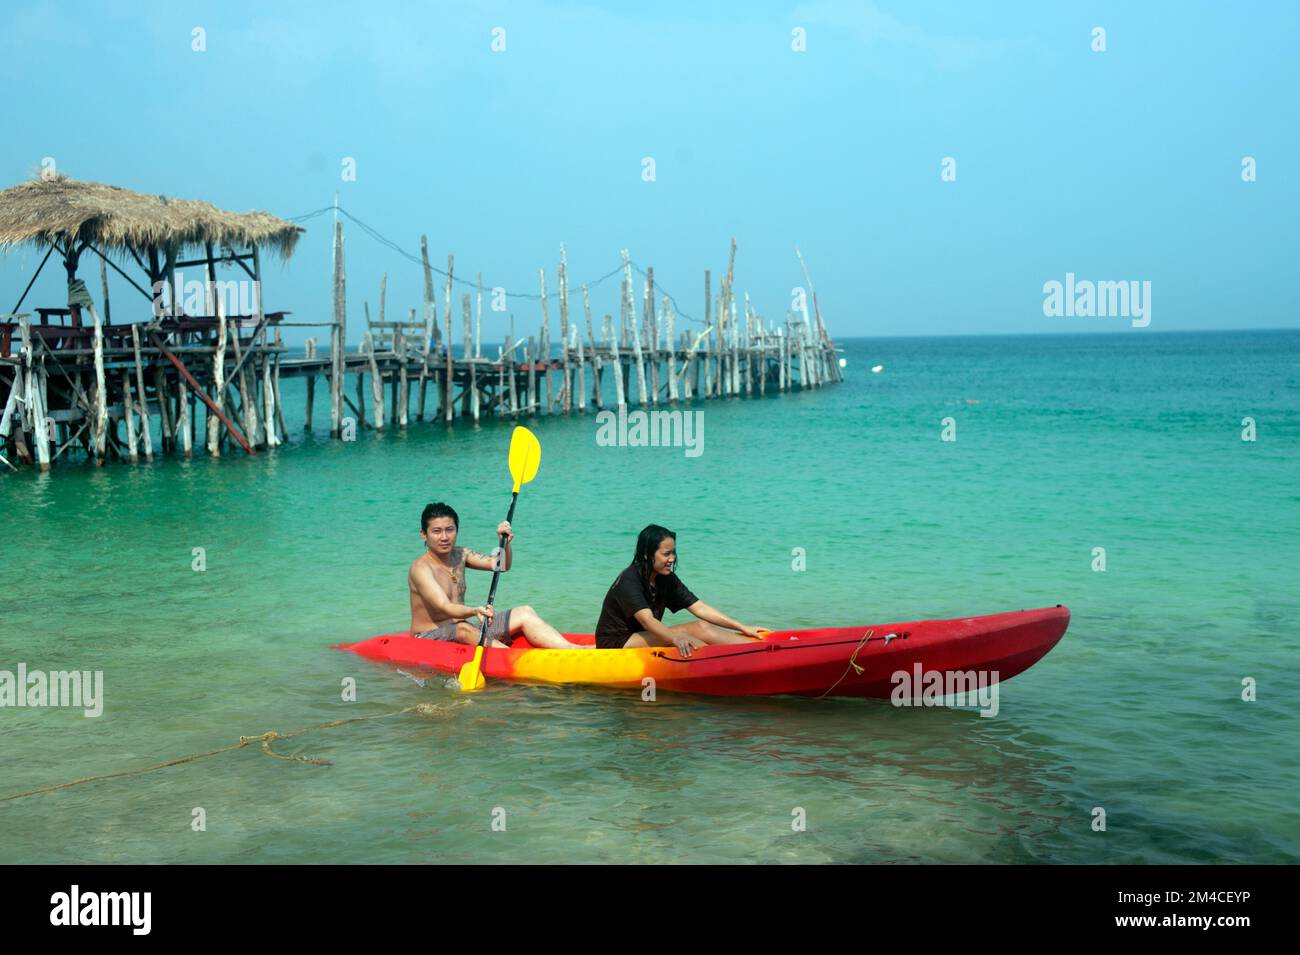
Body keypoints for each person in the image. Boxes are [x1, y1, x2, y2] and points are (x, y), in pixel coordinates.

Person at [409, 502, 584, 649]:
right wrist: (474, 610)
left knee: (525, 612)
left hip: (464, 628)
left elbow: (501, 565)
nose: (444, 537)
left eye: (450, 529)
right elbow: (444, 606)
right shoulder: (421, 569)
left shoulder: (461, 554)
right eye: (436, 531)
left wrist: (504, 542)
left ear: (457, 530)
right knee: (463, 628)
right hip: (428, 636)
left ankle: (574, 650)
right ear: (424, 534)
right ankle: (516, 661)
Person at [594, 524, 764, 656]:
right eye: (666, 554)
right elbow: (648, 621)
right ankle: (727, 662)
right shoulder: (630, 580)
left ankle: (758, 650)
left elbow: (700, 608)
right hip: (616, 643)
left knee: (701, 626)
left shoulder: (665, 578)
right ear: (647, 553)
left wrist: (742, 627)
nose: (672, 559)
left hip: (643, 635)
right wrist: (675, 638)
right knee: (688, 635)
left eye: (673, 553)